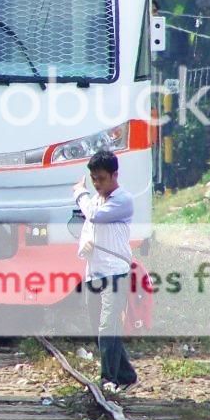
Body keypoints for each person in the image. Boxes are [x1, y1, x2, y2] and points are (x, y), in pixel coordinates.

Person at [73, 150, 137, 392]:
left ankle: (108, 379)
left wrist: (80, 192)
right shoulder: (97, 199)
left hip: (115, 273)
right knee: (98, 329)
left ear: (114, 175)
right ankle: (127, 374)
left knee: (107, 327)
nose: (97, 184)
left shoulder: (123, 200)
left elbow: (94, 216)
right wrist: (84, 248)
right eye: (93, 180)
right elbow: (87, 232)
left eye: (101, 178)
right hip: (94, 272)